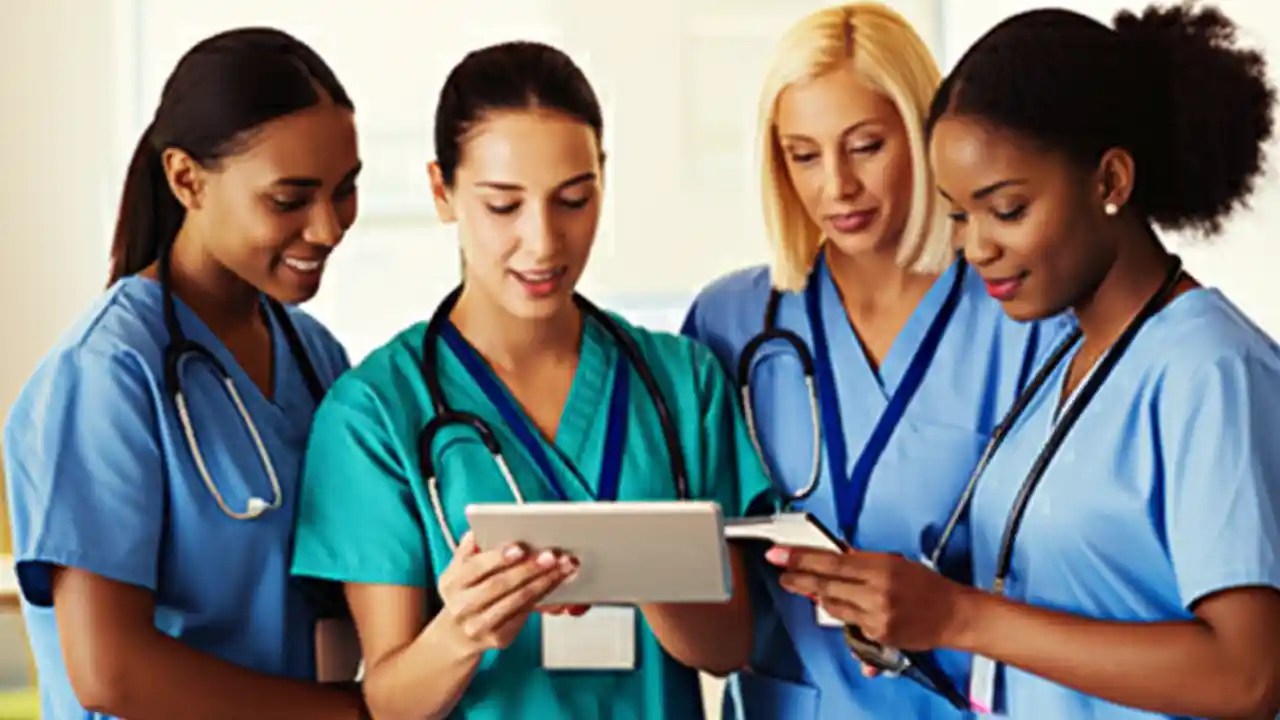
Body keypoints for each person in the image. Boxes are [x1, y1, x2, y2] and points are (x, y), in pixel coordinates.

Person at [765, 3, 1280, 719]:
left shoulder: (1209, 369)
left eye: (1005, 210)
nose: (976, 248)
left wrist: (957, 617)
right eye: (959, 216)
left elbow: (1248, 677)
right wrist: (912, 619)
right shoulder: (1066, 362)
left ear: (1110, 182)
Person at [289, 40, 773, 720]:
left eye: (573, 200)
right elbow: (388, 703)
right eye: (503, 206)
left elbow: (729, 649)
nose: (543, 242)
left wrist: (647, 570)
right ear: (442, 191)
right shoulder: (375, 414)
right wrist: (462, 630)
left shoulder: (682, 384)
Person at [681, 3, 1069, 718]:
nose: (837, 186)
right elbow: (702, 558)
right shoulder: (730, 325)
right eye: (804, 155)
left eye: (865, 146)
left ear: (928, 137)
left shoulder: (1024, 314)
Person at [2, 28, 368, 719]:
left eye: (344, 190)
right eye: (290, 199)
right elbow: (110, 672)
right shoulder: (108, 373)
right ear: (186, 180)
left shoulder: (315, 358)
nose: (327, 228)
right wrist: (348, 714)